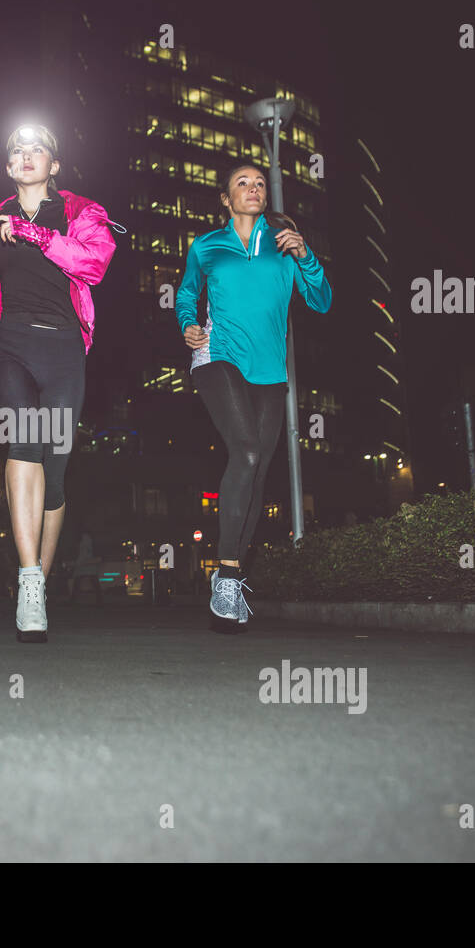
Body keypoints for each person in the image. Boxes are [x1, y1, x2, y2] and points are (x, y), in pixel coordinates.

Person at [0, 124, 120, 642]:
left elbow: (94, 264)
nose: (26, 156)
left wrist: (35, 235)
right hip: (7, 346)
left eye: (37, 149)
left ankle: (41, 583)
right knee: (24, 439)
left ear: (55, 165)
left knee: (56, 470)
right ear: (7, 167)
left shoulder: (80, 213)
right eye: (17, 151)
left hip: (64, 347)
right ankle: (27, 581)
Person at [176, 162, 332, 624]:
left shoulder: (285, 245)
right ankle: (225, 574)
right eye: (242, 183)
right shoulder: (206, 245)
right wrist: (187, 322)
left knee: (260, 472)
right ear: (226, 198)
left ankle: (233, 572)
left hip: (269, 372)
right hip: (217, 357)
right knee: (244, 453)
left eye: (260, 183)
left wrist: (305, 255)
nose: (253, 188)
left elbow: (321, 301)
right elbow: (187, 294)